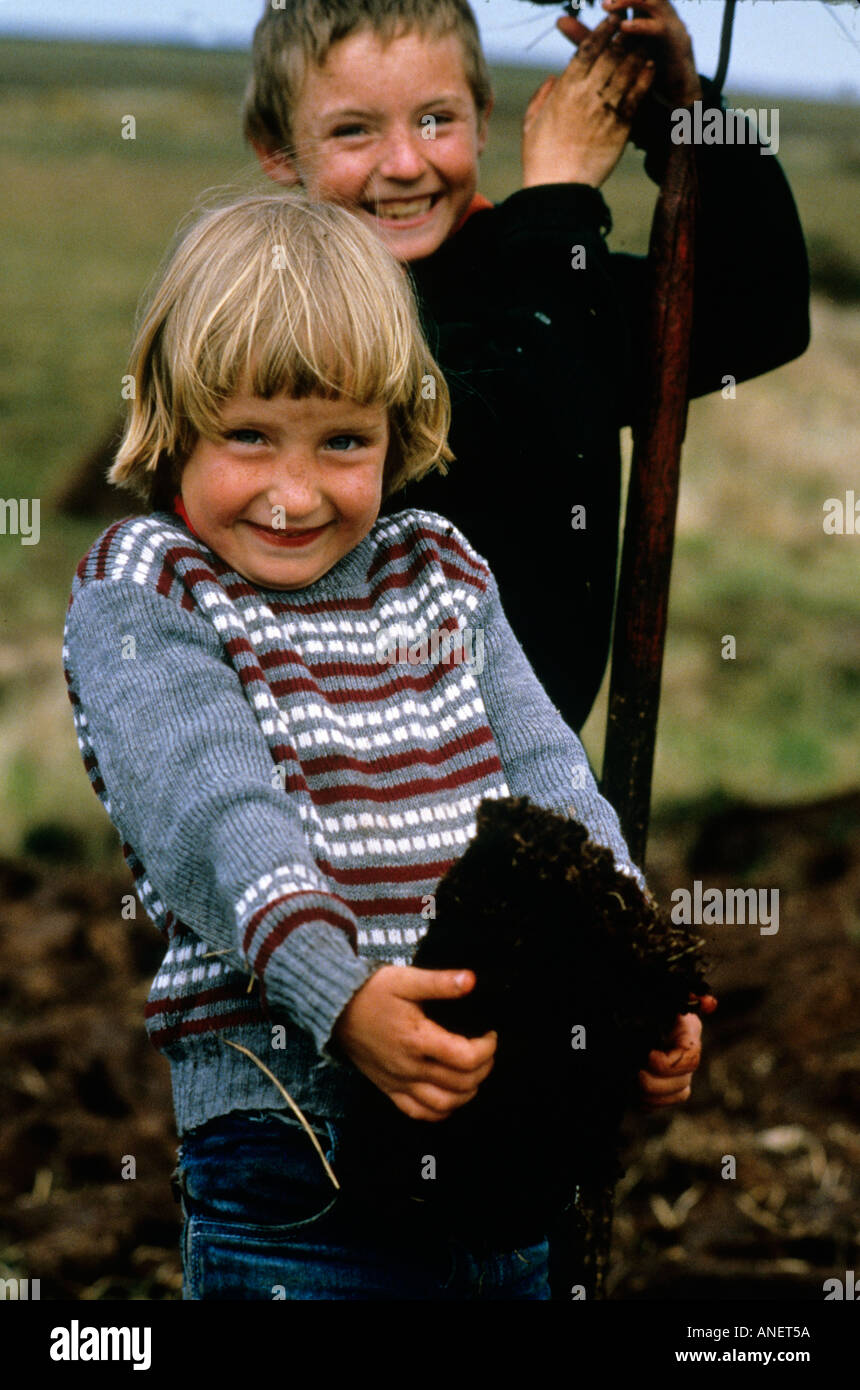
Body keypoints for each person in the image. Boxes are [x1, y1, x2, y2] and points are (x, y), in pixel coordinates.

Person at [64, 192, 688, 1300]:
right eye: (247, 436)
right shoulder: (151, 590)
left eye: (343, 440)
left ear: (401, 427)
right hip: (289, 1150)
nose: (294, 493)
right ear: (172, 420)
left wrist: (630, 974)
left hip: (498, 1127)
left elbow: (551, 782)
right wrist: (341, 994)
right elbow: (215, 817)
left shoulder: (438, 570)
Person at [243, 0, 810, 736]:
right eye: (354, 130)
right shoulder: (275, 311)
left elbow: (762, 312)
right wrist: (560, 201)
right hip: (357, 790)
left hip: (542, 785)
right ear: (277, 149)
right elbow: (510, 417)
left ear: (484, 117)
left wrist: (688, 114)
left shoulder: (545, 270)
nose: (407, 163)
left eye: (435, 121)